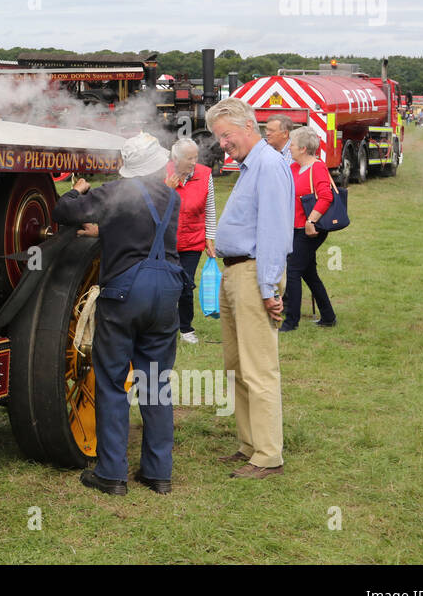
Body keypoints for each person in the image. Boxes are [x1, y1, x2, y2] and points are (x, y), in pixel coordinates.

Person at [54, 133, 184, 497]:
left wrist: (77, 191)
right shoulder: (171, 197)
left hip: (127, 292)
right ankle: (159, 473)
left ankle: (111, 475)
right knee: (156, 383)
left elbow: (63, 212)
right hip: (167, 291)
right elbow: (142, 231)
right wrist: (107, 229)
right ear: (158, 165)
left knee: (111, 382)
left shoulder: (114, 192)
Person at [206, 98, 293, 479]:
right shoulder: (251, 165)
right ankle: (249, 443)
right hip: (235, 273)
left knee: (258, 367)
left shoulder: (269, 165)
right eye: (218, 138)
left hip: (254, 273)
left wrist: (269, 288)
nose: (222, 144)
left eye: (225, 135)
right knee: (236, 365)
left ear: (248, 127)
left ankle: (269, 455)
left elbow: (274, 231)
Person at [280, 128, 337, 331]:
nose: (290, 148)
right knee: (308, 273)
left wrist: (311, 221)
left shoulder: (318, 168)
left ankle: (291, 321)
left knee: (293, 271)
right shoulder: (294, 167)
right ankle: (328, 316)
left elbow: (326, 197)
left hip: (311, 229)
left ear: (303, 148)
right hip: (295, 228)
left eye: (293, 145)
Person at [164, 138, 217, 344]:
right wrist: (168, 189)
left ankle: (186, 329)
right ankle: (164, 326)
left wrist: (209, 237)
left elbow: (210, 208)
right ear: (175, 158)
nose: (194, 162)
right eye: (189, 158)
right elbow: (154, 205)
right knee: (167, 285)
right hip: (167, 241)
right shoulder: (163, 173)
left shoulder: (205, 174)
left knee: (186, 285)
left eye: (196, 157)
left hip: (192, 241)